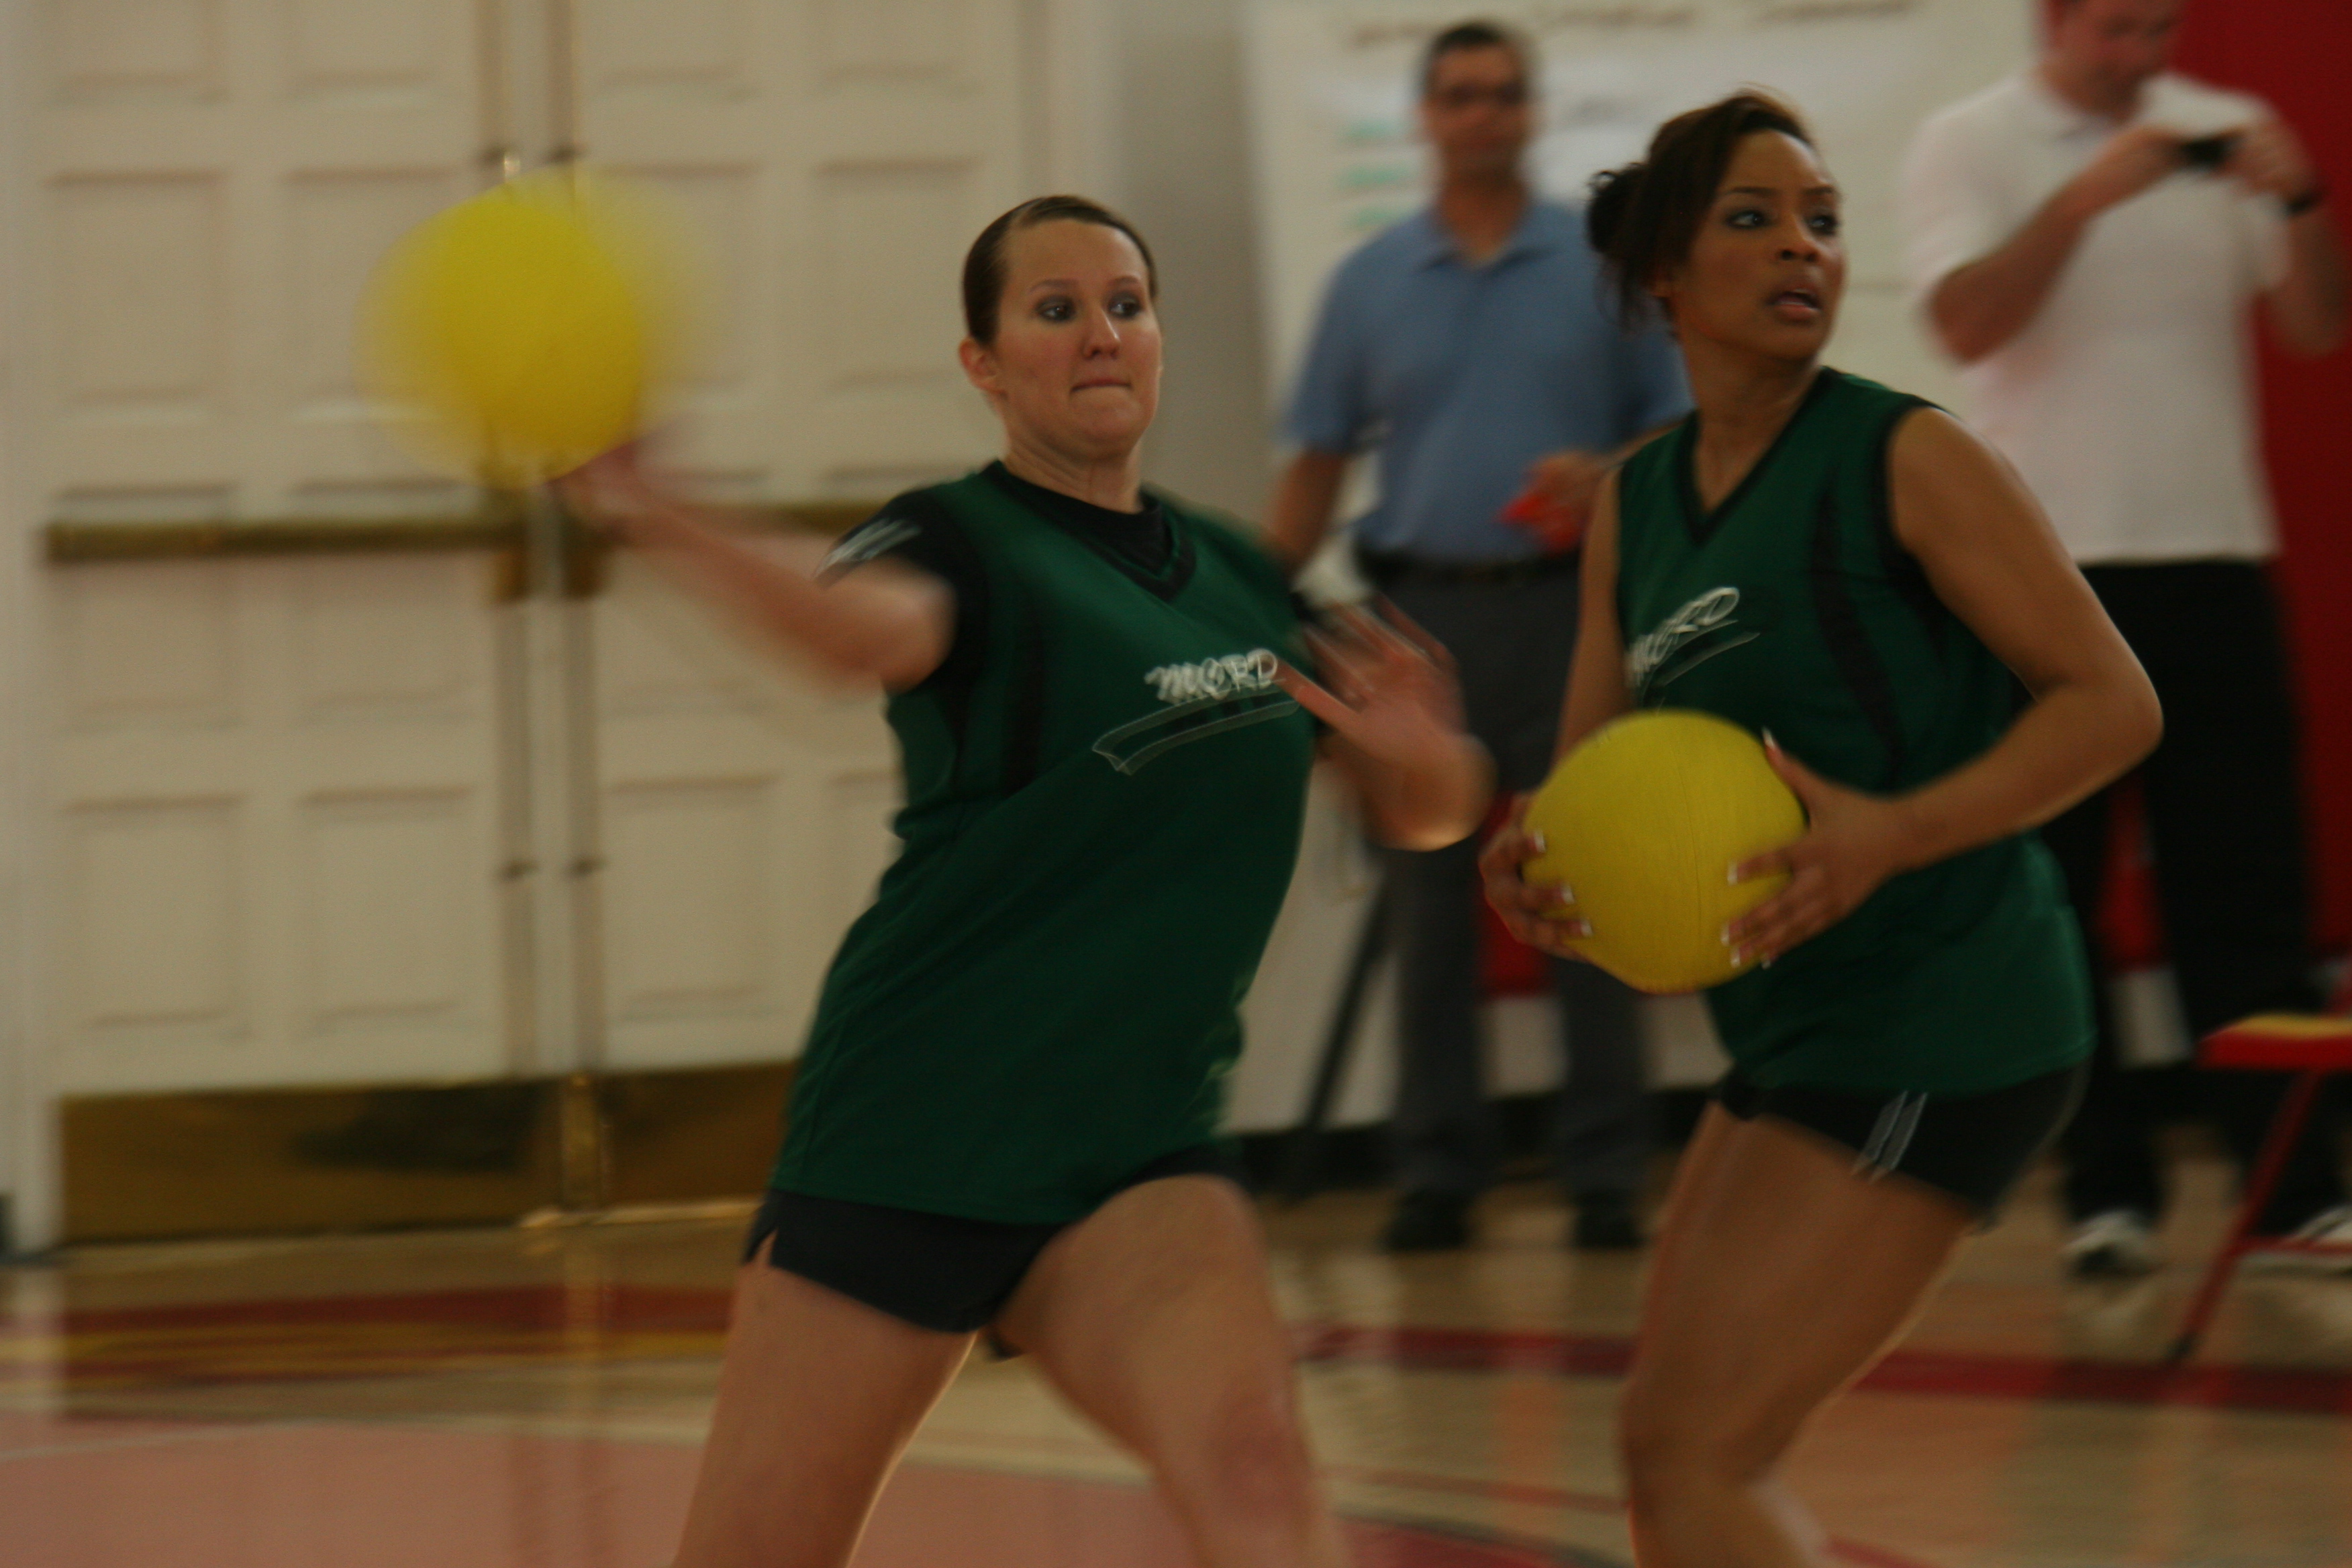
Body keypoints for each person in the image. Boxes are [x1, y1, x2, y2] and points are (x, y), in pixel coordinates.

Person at [565, 195, 1490, 1568]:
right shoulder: (957, 542)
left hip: (1137, 1154)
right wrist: (646, 502)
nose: (1100, 333)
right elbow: (848, 632)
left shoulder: (1241, 572)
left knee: (1257, 1469)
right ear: (986, 365)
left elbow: (1429, 809)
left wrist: (1428, 760)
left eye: (1126, 302)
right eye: (1055, 310)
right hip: (918, 1137)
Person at [1482, 93, 2161, 1565]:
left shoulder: (1912, 458)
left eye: (1824, 220)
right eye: (1755, 217)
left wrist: (1891, 834)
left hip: (1948, 1015)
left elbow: (2112, 705)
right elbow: (1592, 781)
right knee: (1671, 1452)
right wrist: (1537, 866)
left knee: (1698, 1452)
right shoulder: (1637, 503)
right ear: (1666, 270)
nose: (1803, 247)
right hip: (1793, 1033)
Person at [1900, 0, 2351, 1278]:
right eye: (2113, 30)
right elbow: (1965, 325)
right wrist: (2078, 204)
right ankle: (2106, 1192)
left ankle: (2294, 1187)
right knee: (2055, 897)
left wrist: (2306, 202)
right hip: (2041, 577)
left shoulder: (2232, 127)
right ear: (2054, 20)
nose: (2140, 57)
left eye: (2157, 29)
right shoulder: (1968, 139)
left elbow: (2318, 324)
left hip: (2214, 560)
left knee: (2250, 896)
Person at [1267, 18, 1690, 1254]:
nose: (1482, 114)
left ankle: (1606, 1172)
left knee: (1589, 887)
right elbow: (1313, 471)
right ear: (1424, 118)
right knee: (1425, 909)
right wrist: (1234, 606)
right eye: (1458, 95)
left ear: (1532, 110)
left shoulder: (1599, 264)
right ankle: (1438, 1174)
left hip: (1575, 616)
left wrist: (1607, 472)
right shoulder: (1368, 280)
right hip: (1417, 623)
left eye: (1504, 94)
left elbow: (1682, 442)